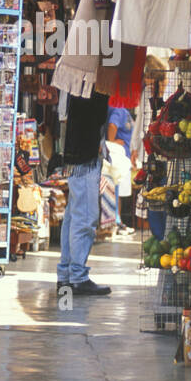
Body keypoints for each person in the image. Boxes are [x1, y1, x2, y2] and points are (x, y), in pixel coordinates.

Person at [58, 90, 113, 296]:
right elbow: (94, 118)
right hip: (84, 157)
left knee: (73, 216)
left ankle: (66, 275)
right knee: (85, 216)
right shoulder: (89, 82)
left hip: (78, 155)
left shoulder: (76, 79)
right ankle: (78, 277)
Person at [105, 104, 137, 236]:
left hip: (123, 157)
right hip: (118, 157)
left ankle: (117, 222)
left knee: (117, 191)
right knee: (116, 191)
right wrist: (111, 141)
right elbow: (112, 125)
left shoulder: (123, 110)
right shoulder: (119, 109)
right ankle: (116, 223)